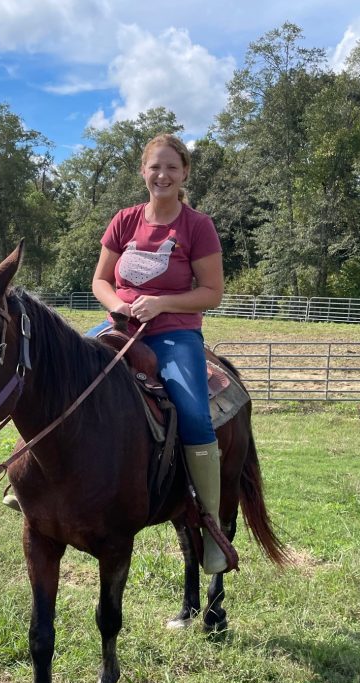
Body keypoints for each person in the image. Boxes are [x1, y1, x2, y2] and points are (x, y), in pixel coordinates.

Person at [90, 133, 227, 574]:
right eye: (155, 167)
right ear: (143, 172)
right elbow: (101, 280)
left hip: (174, 335)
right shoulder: (125, 220)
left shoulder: (196, 226)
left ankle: (211, 528)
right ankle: (29, 485)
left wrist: (163, 303)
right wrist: (117, 306)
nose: (162, 175)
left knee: (193, 414)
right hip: (120, 327)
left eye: (171, 167)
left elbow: (212, 293)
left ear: (184, 172)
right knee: (59, 374)